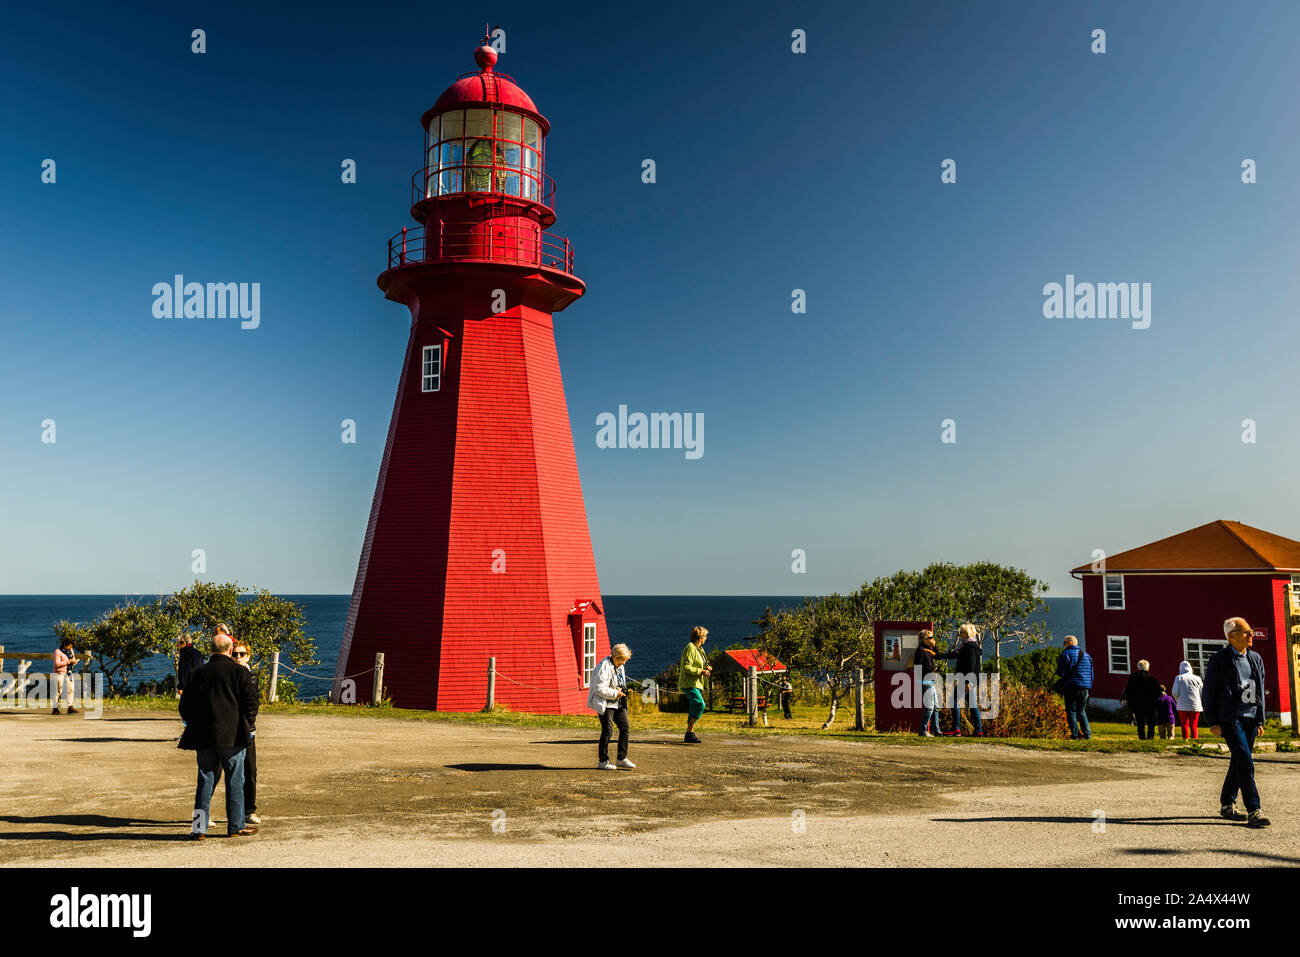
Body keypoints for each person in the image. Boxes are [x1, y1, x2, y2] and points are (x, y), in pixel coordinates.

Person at [178, 629, 260, 839]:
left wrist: (193, 723)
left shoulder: (197, 674)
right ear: (230, 650)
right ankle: (236, 826)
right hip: (233, 737)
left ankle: (198, 829)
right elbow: (251, 703)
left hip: (204, 737)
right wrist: (247, 724)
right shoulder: (241, 673)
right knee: (235, 782)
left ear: (211, 650)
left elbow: (184, 706)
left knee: (204, 781)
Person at [1204, 617, 1270, 828]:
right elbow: (1209, 692)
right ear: (1231, 636)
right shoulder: (1220, 659)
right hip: (1231, 719)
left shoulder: (1255, 658)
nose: (1251, 635)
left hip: (1251, 718)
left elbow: (1259, 689)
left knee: (1239, 762)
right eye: (1246, 632)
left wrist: (1260, 719)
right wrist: (1212, 721)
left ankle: (1227, 805)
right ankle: (1254, 810)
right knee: (1245, 762)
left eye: (1250, 632)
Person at [588, 643, 635, 770]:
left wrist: (620, 690)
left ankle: (621, 758)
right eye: (621, 660)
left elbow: (618, 680)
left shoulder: (619, 665)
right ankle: (603, 761)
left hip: (617, 702)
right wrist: (615, 693)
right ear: (613, 656)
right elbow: (598, 689)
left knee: (625, 728)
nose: (623, 663)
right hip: (606, 703)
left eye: (624, 660)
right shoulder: (604, 666)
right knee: (607, 731)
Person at [233, 642, 262, 823]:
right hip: (227, 730)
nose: (238, 657)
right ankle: (206, 810)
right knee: (217, 772)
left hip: (246, 731)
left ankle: (249, 810)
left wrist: (250, 725)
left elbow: (253, 705)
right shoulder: (225, 675)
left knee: (250, 771)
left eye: (242, 654)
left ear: (248, 656)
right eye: (234, 654)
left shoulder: (251, 677)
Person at [937, 623, 983, 736]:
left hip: (967, 680)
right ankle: (978, 730)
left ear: (965, 633)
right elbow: (953, 655)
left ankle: (956, 729)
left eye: (960, 632)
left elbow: (971, 665)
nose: (959, 634)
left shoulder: (969, 647)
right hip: (971, 680)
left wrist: (968, 682)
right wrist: (938, 655)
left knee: (953, 700)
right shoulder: (967, 645)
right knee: (972, 704)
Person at [1055, 635, 1093, 740]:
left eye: (1064, 643)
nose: (1063, 646)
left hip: (1071, 686)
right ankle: (1087, 734)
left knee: (1071, 711)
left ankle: (1075, 735)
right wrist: (1088, 687)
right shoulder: (1086, 655)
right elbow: (1091, 673)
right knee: (1081, 711)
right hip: (1085, 687)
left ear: (1069, 643)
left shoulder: (1065, 654)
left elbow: (1060, 672)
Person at [678, 626, 712, 743]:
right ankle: (689, 732)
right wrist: (701, 671)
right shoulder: (690, 648)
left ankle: (689, 734)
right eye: (705, 636)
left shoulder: (699, 649)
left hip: (697, 683)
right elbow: (686, 667)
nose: (706, 638)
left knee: (694, 707)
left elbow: (698, 664)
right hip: (689, 683)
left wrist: (705, 668)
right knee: (700, 704)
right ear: (700, 637)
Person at [1121, 660, 1161, 740]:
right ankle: (1150, 737)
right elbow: (1158, 693)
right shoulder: (1153, 679)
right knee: (1151, 722)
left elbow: (1128, 691)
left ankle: (1142, 737)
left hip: (1137, 704)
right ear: (1148, 668)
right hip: (1150, 704)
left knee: (1140, 722)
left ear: (1138, 667)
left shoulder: (1132, 678)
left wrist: (1130, 702)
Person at [913, 631, 942, 737]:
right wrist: (930, 671)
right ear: (925, 639)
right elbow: (917, 667)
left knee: (935, 707)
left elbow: (938, 656)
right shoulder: (920, 651)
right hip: (925, 680)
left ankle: (937, 731)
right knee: (930, 707)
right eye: (931, 637)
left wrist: (934, 647)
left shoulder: (928, 650)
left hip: (930, 680)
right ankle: (923, 730)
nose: (933, 639)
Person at [1171, 660, 1204, 740]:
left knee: (1184, 723)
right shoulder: (1197, 678)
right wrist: (1200, 700)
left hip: (1182, 705)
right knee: (1194, 724)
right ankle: (1194, 739)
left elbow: (1174, 692)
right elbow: (1202, 692)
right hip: (1195, 705)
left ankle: (1185, 739)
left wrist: (1177, 700)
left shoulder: (1179, 678)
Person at [51, 637, 78, 715]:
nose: (70, 647)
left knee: (71, 689)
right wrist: (69, 661)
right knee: (58, 690)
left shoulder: (70, 651)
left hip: (69, 672)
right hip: (59, 673)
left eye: (71, 646)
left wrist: (74, 662)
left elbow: (73, 659)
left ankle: (70, 706)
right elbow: (57, 664)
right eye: (69, 646)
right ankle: (55, 708)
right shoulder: (57, 652)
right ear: (65, 645)